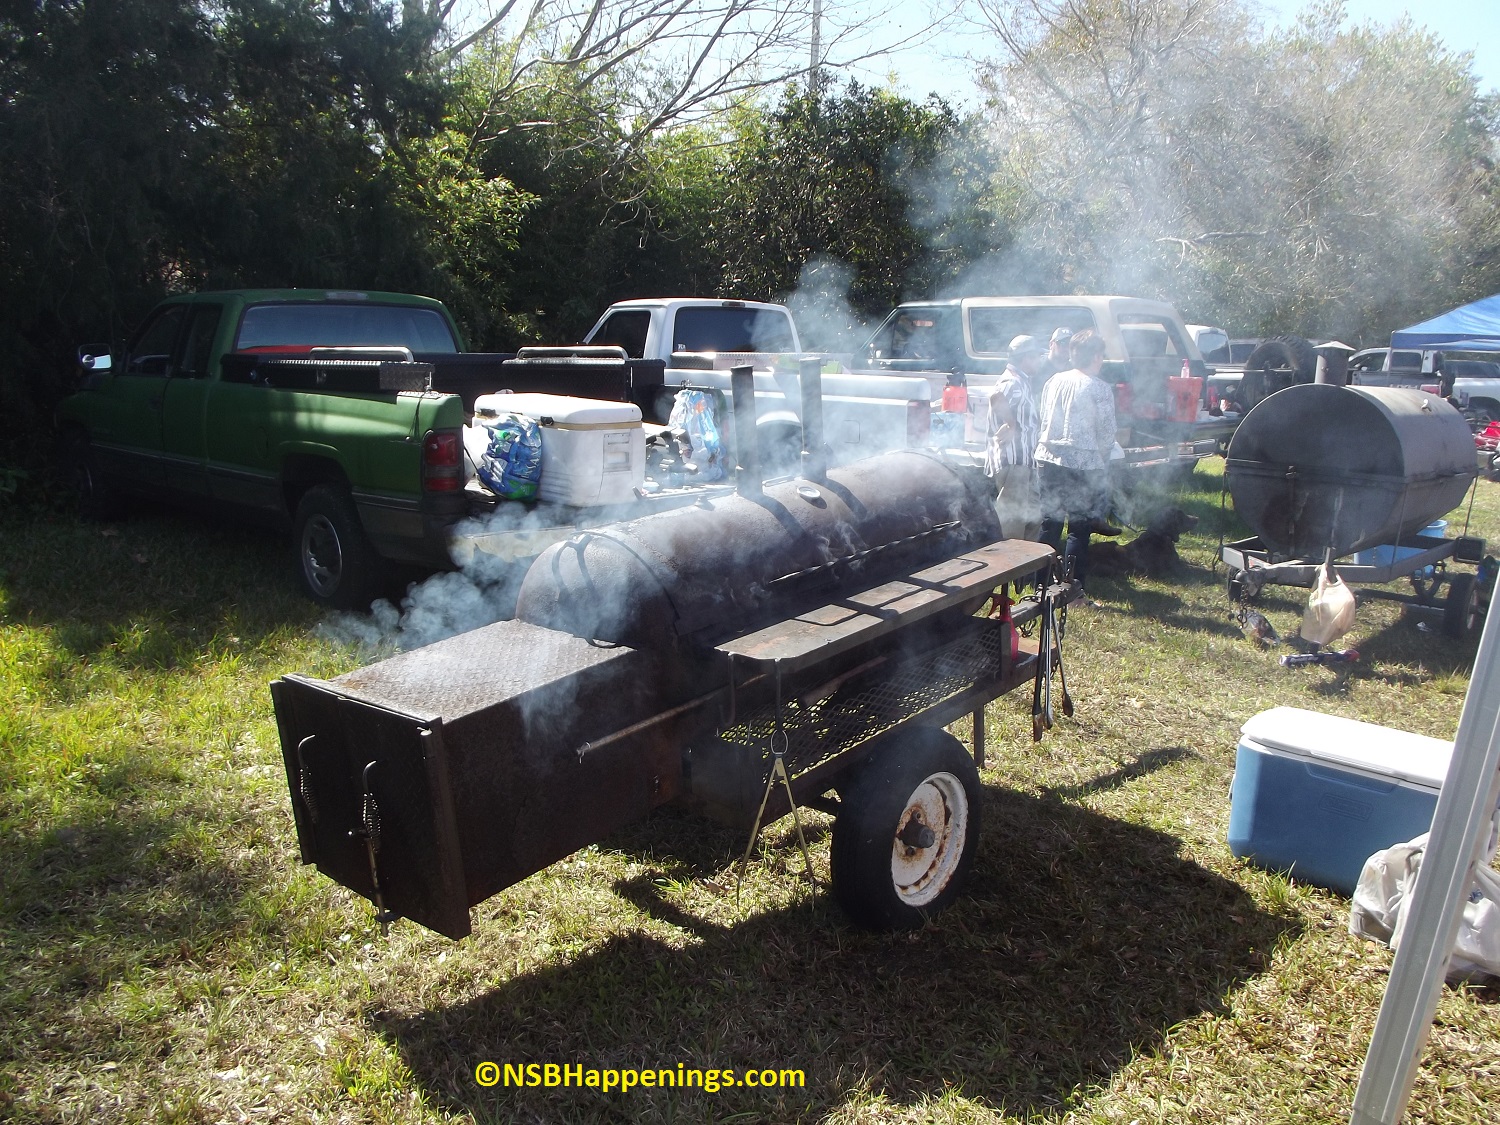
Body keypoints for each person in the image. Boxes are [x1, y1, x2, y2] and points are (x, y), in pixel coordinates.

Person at [1034, 329, 1118, 588]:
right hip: (1082, 464)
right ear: (1095, 356)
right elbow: (1106, 434)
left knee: (1050, 523)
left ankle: (1040, 583)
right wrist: (1102, 460)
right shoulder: (1099, 388)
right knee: (1079, 528)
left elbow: (1043, 417)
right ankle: (1073, 589)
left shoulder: (1054, 380)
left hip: (1048, 459)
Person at [985, 334, 1043, 542]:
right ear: (1025, 358)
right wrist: (1011, 424)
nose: (1039, 361)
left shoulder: (1023, 381)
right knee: (1013, 522)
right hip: (1013, 461)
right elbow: (996, 397)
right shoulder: (1012, 381)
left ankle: (1027, 568)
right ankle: (1008, 567)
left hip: (1024, 461)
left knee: (1033, 517)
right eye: (1036, 356)